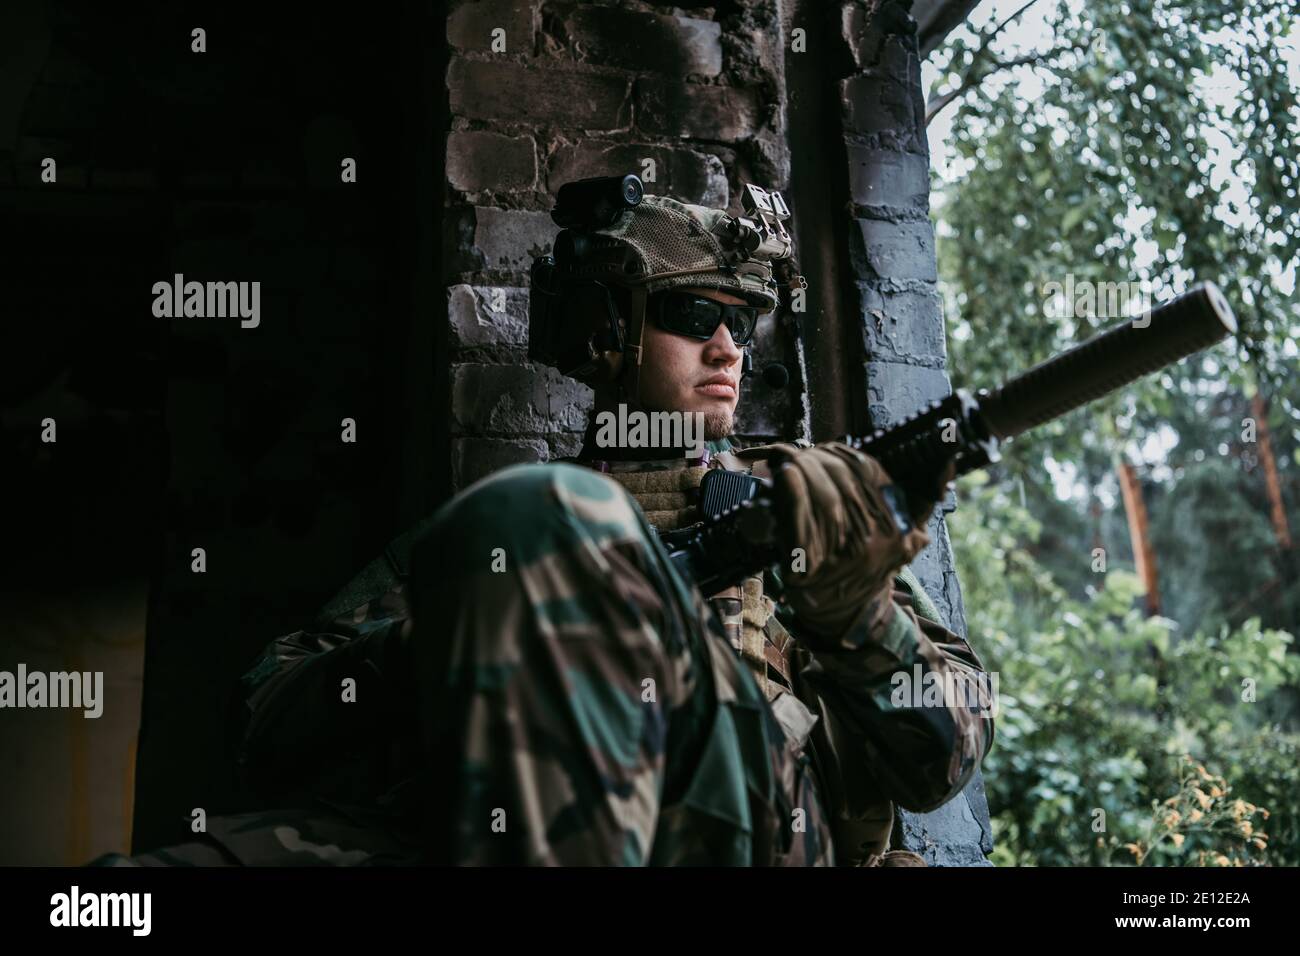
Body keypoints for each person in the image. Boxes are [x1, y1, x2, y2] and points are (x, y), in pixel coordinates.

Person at [96, 179, 993, 867]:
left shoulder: (798, 503)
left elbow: (942, 765)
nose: (728, 349)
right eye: (693, 316)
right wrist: (467, 641)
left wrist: (856, 615)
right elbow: (267, 716)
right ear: (607, 327)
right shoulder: (512, 528)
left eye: (743, 323)